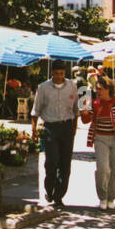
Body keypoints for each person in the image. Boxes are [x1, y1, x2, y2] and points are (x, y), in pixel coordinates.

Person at [31, 63, 79, 208]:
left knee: (65, 164)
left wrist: (74, 128)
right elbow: (36, 110)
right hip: (50, 127)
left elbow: (76, 109)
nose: (59, 76)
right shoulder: (43, 88)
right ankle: (49, 189)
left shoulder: (72, 86)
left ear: (65, 73)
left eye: (62, 73)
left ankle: (59, 195)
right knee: (51, 162)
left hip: (67, 127)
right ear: (52, 73)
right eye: (56, 73)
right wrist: (33, 130)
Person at [84, 76, 115, 210]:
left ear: (108, 89)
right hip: (100, 138)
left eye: (100, 89)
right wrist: (85, 111)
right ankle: (102, 197)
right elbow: (86, 120)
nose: (97, 91)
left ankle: (111, 198)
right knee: (103, 169)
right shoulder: (95, 103)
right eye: (96, 89)